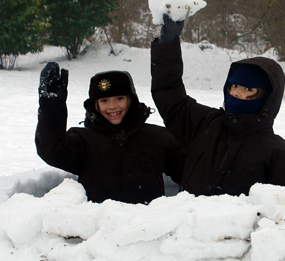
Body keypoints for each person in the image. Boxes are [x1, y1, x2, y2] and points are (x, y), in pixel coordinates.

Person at [150, 14, 285, 196]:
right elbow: (169, 95)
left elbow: (284, 217)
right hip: (187, 223)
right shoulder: (205, 125)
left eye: (248, 89)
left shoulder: (282, 155)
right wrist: (167, 44)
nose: (236, 93)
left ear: (267, 97)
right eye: (233, 86)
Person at [35, 63, 184, 204]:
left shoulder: (157, 137)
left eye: (119, 98)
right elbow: (52, 149)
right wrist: (51, 107)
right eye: (104, 100)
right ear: (95, 105)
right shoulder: (83, 140)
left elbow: (188, 169)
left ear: (131, 100)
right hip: (101, 227)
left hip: (149, 225)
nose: (112, 106)